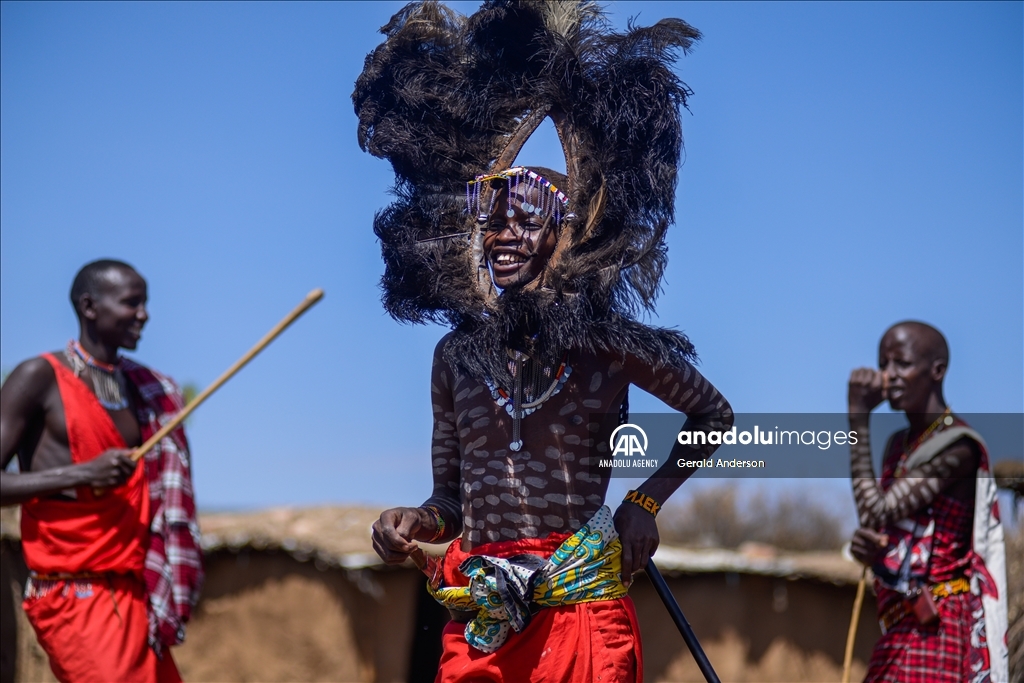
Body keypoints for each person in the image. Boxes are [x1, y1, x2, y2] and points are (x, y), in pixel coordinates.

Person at [355, 4, 730, 679]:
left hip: (579, 611)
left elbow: (714, 414)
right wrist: (415, 517)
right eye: (489, 220)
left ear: (567, 233)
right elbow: (452, 500)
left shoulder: (608, 347)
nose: (502, 235)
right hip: (485, 618)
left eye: (524, 218)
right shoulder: (456, 359)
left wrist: (644, 503)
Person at [0, 259, 202, 683]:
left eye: (145, 303)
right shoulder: (39, 377)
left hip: (137, 592)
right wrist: (81, 475)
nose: (143, 314)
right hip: (73, 593)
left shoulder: (145, 390)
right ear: (89, 306)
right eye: (132, 303)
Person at [847, 321, 1008, 682]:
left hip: (940, 625)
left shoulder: (958, 447)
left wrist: (858, 421)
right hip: (900, 624)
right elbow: (878, 524)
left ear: (937, 371)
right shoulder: (898, 446)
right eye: (883, 364)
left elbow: (877, 509)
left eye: (901, 364)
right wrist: (868, 547)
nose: (888, 376)